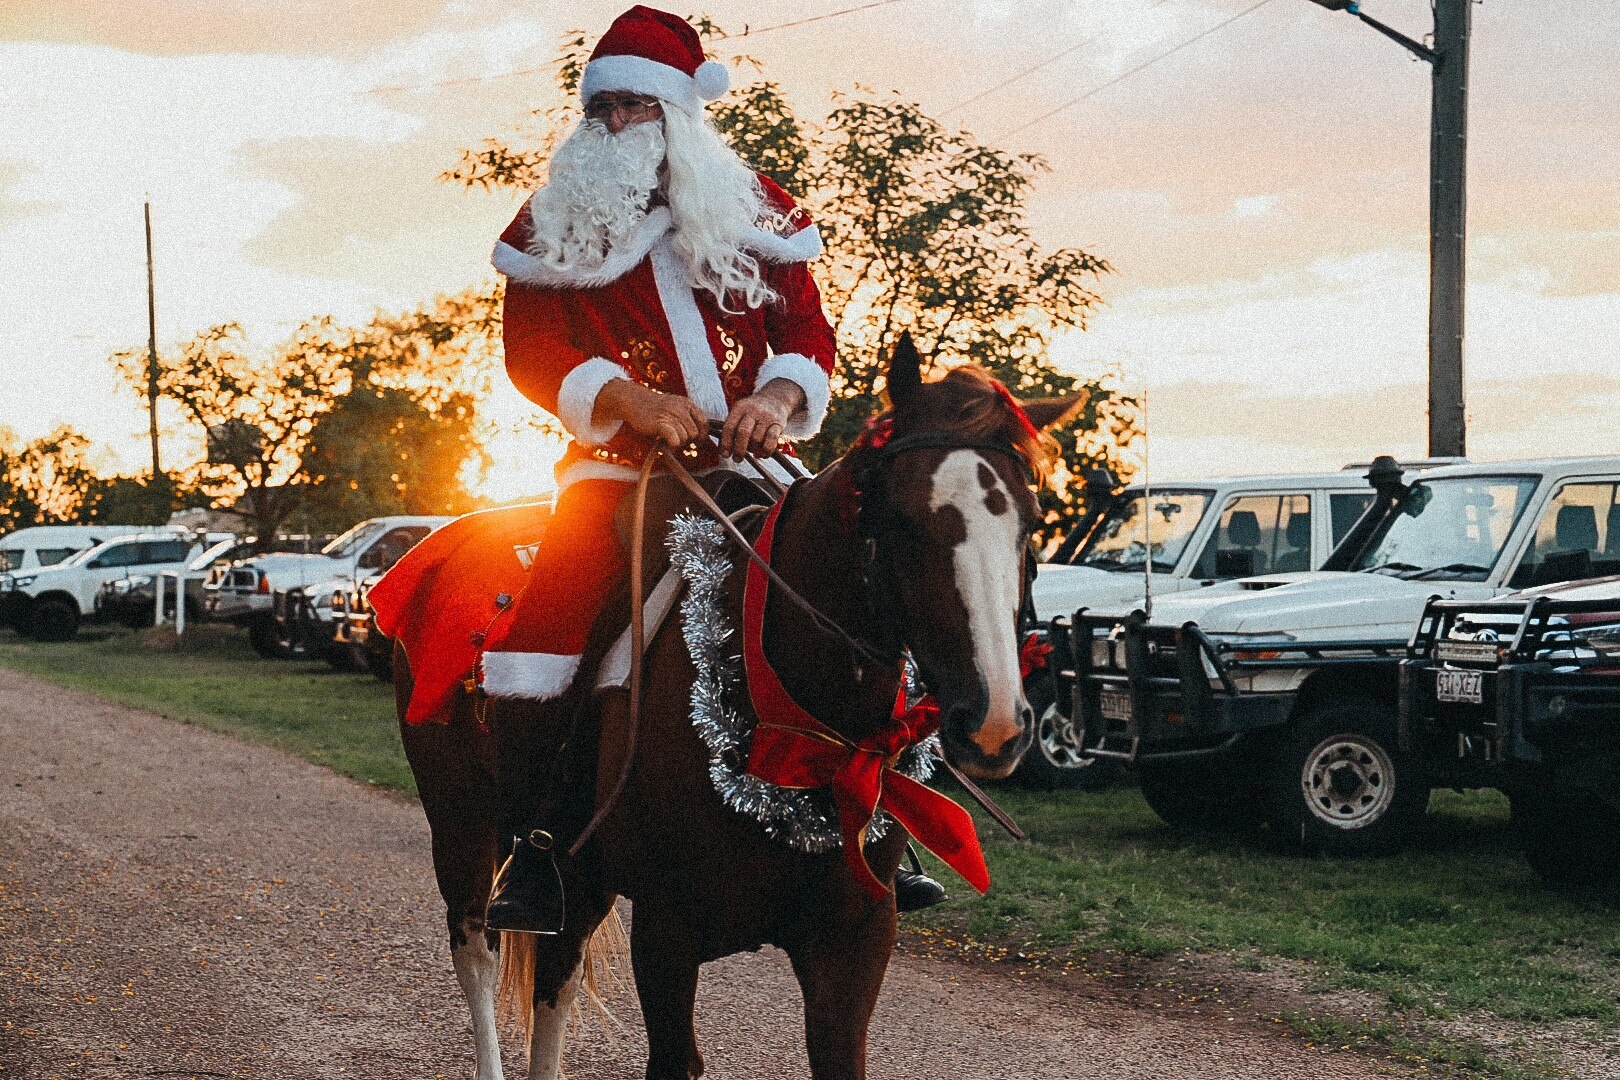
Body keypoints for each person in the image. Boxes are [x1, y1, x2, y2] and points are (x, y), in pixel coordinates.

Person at [481, 5, 945, 932]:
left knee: (872, 588)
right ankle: (536, 849)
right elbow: (531, 347)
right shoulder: (549, 217)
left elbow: (806, 331)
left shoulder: (755, 207)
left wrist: (773, 403)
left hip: (757, 465)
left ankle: (890, 817)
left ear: (680, 115)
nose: (612, 124)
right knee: (547, 630)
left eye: (634, 108)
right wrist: (624, 400)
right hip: (618, 473)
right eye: (600, 107)